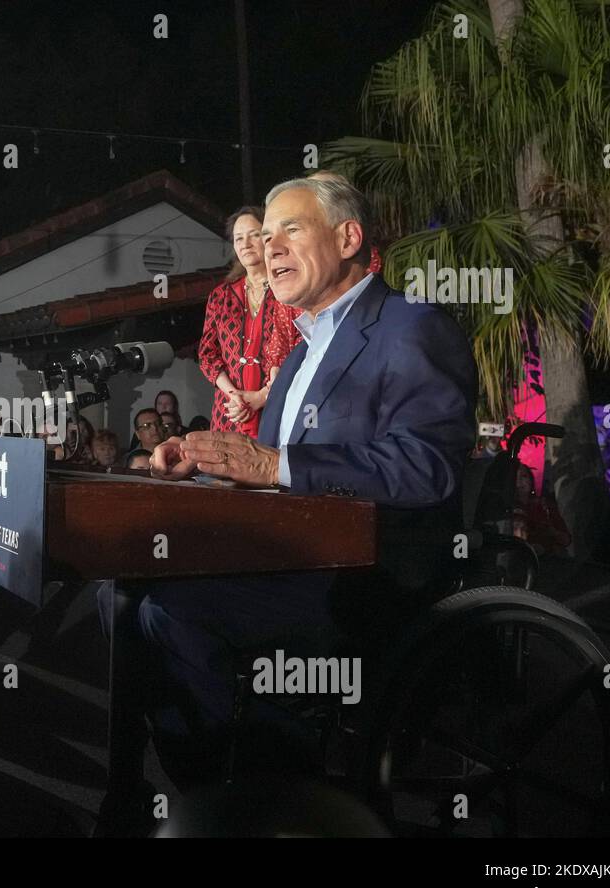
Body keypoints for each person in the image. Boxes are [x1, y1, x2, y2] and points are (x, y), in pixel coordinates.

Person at [105, 174, 476, 800]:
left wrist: (277, 466)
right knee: (118, 590)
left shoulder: (411, 326)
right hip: (286, 561)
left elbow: (427, 467)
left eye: (290, 230)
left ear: (349, 236)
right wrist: (200, 459)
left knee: (172, 615)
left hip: (369, 581)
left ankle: (267, 787)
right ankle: (180, 783)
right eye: (264, 234)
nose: (268, 247)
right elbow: (261, 467)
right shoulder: (300, 355)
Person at [199, 206, 303, 437]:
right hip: (230, 411)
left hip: (275, 405)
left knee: (270, 468)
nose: (245, 243)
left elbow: (300, 349)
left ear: (268, 238)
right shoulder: (221, 296)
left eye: (254, 235)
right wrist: (233, 394)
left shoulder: (287, 289)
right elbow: (207, 355)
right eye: (238, 238)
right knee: (225, 468)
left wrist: (262, 396)